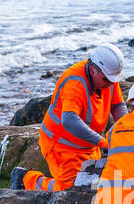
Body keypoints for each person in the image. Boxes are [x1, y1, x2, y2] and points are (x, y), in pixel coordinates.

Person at [12, 44, 128, 192]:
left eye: (113, 80)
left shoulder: (107, 76)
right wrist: (103, 142)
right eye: (107, 80)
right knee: (70, 188)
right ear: (93, 70)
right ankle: (26, 179)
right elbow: (69, 120)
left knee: (95, 181)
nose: (111, 84)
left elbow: (118, 106)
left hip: (88, 144)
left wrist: (126, 132)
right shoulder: (75, 83)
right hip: (62, 145)